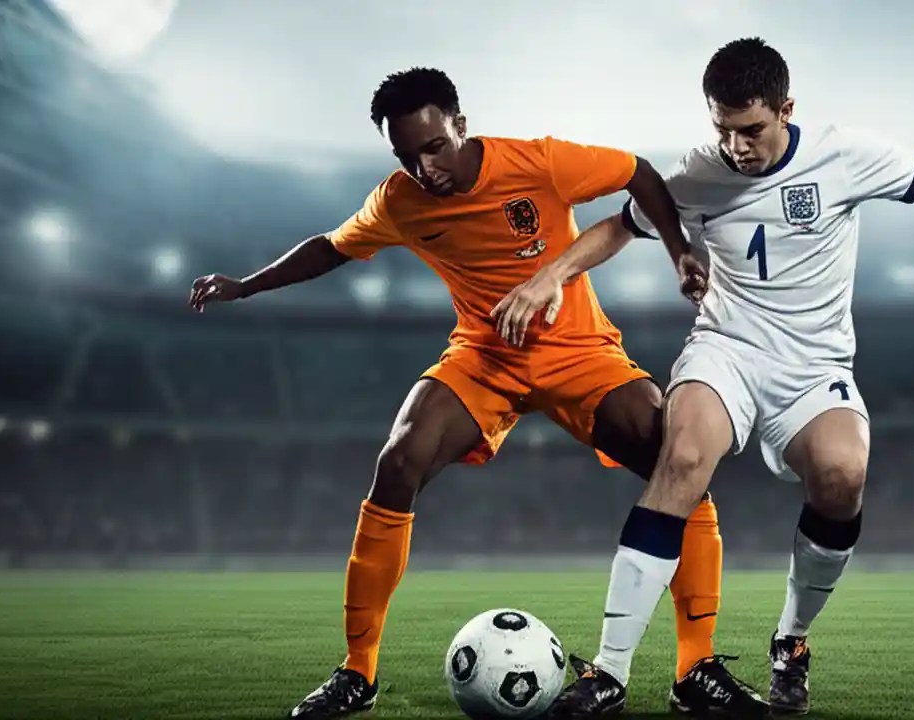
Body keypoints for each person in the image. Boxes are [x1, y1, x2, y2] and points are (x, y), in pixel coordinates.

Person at [493, 38, 914, 718]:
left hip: (813, 368)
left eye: (751, 130)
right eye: (723, 130)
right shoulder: (699, 174)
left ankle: (791, 641)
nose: (738, 147)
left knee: (842, 478)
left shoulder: (844, 155)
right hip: (726, 351)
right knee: (681, 458)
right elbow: (621, 226)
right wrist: (551, 277)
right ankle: (609, 673)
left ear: (786, 109)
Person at [188, 66, 766, 719]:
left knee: (678, 460)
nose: (424, 167)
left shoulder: (540, 163)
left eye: (434, 146)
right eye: (407, 156)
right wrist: (244, 285)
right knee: (397, 461)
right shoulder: (399, 201)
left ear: (461, 125)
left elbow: (638, 172)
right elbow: (332, 247)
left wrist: (678, 251)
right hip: (484, 357)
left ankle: (695, 669)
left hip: (579, 353)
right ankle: (358, 672)